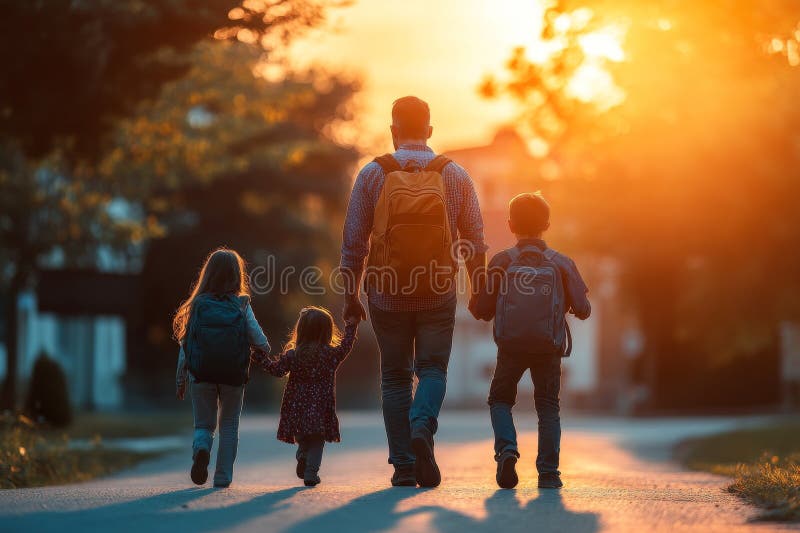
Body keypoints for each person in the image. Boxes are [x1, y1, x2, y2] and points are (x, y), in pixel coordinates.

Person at [340, 96, 487, 487]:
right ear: (430, 130)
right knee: (433, 370)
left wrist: (351, 294)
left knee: (394, 377)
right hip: (438, 290)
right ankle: (423, 424)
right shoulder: (455, 174)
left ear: (393, 130)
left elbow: (354, 243)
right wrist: (480, 287)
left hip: (387, 293)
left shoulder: (372, 174)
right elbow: (474, 237)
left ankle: (404, 466)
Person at [472, 192, 591, 490]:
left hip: (510, 347)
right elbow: (585, 310)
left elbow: (481, 310)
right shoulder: (562, 263)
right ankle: (549, 473)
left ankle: (507, 450)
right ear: (547, 225)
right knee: (548, 406)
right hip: (548, 347)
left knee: (500, 400)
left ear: (511, 225)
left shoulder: (502, 261)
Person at [174, 247, 270, 488]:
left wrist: (180, 378)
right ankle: (222, 477)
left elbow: (186, 343)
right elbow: (261, 342)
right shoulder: (241, 305)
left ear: (208, 274)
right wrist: (261, 352)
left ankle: (202, 449)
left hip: (201, 374)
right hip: (233, 376)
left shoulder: (198, 304)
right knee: (228, 426)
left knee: (204, 425)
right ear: (238, 276)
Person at [251, 306, 358, 487]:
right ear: (327, 331)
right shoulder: (330, 354)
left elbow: (276, 370)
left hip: (297, 406)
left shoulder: (294, 354)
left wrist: (262, 358)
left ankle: (302, 455)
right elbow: (346, 346)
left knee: (302, 436)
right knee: (317, 440)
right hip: (321, 406)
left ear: (300, 330)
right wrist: (351, 326)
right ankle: (311, 472)